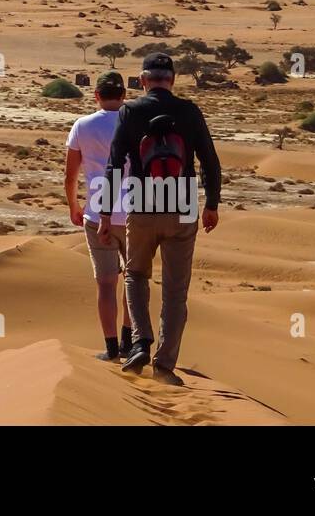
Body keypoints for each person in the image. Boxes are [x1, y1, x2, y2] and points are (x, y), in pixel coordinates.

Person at [98, 52, 220, 385]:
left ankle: (139, 341)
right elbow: (210, 160)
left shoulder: (130, 111)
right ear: (173, 80)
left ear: (142, 80)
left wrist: (106, 213)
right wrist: (212, 204)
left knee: (136, 276)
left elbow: (113, 166)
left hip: (142, 205)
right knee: (175, 291)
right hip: (181, 207)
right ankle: (165, 365)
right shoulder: (190, 111)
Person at [65, 70, 132, 361]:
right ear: (124, 96)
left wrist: (73, 206)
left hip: (97, 212)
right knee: (134, 279)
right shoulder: (136, 123)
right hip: (135, 214)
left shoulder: (82, 125)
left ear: (96, 96)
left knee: (106, 284)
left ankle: (111, 348)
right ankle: (132, 344)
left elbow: (70, 175)